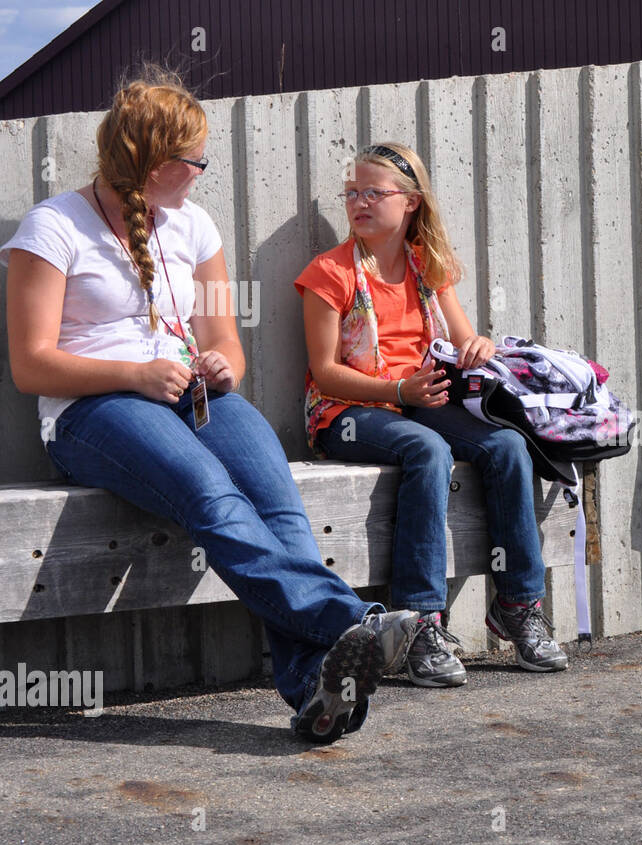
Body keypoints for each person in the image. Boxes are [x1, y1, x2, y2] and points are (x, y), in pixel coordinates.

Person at [0, 69, 425, 744]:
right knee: (209, 492)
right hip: (94, 410)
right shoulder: (53, 227)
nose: (202, 171)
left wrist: (225, 361)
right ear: (154, 161)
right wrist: (135, 374)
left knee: (278, 498)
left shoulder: (193, 224)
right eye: (194, 159)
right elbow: (31, 364)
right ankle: (350, 619)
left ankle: (318, 683)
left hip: (190, 395)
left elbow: (224, 336)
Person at [295, 142, 568, 685]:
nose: (359, 201)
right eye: (352, 192)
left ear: (411, 202)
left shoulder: (425, 266)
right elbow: (324, 372)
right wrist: (400, 390)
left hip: (420, 399)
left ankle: (518, 606)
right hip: (347, 412)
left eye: (374, 192)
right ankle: (419, 620)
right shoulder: (329, 272)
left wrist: (479, 348)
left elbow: (467, 340)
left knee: (508, 446)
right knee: (427, 449)